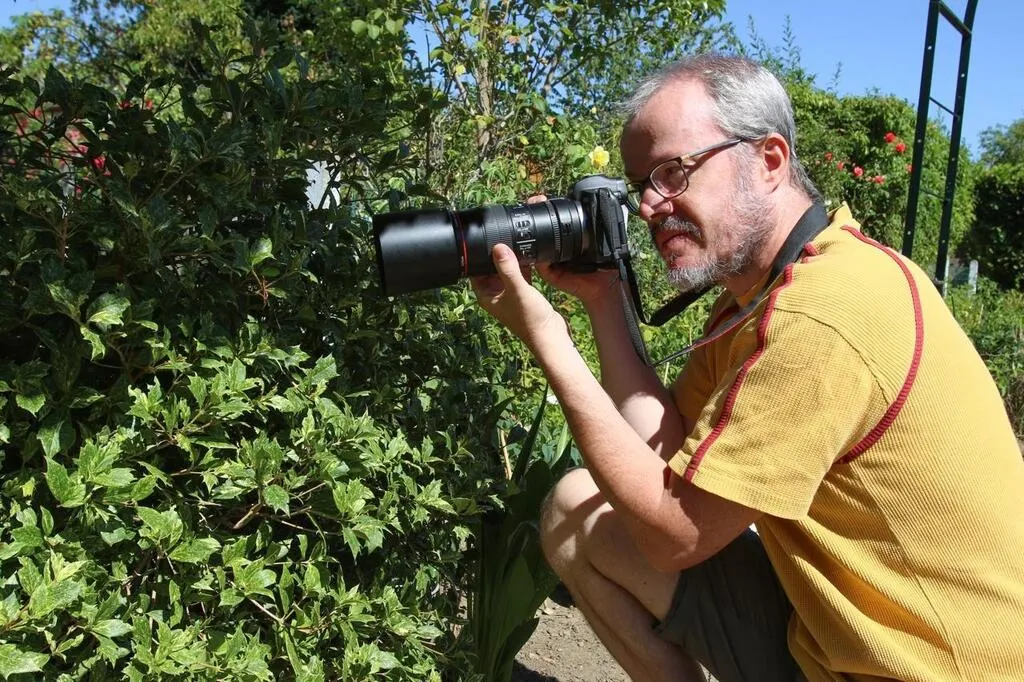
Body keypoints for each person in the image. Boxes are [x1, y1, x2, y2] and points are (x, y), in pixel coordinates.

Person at [470, 54, 1024, 682]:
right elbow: (662, 448)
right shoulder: (763, 298)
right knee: (578, 512)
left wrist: (548, 337)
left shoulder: (826, 314)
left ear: (768, 161)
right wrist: (603, 301)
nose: (649, 207)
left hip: (922, 669)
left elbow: (674, 535)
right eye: (639, 184)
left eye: (672, 172)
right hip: (827, 638)